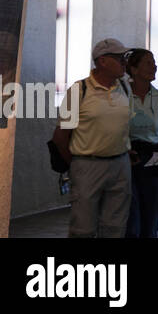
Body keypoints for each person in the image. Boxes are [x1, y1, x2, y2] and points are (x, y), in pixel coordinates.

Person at [50, 38, 133, 238]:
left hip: (120, 164)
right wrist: (78, 164)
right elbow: (61, 136)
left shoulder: (124, 87)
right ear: (103, 61)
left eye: (125, 58)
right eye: (120, 58)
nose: (125, 62)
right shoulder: (79, 91)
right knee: (83, 228)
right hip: (88, 165)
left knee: (115, 227)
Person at [125, 48, 158, 238]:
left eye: (154, 62)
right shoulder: (121, 97)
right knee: (131, 218)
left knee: (151, 217)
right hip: (128, 161)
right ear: (133, 68)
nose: (154, 66)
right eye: (148, 63)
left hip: (153, 163)